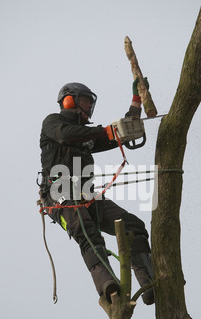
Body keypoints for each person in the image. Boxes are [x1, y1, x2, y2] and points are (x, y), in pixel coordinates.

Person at [39, 81, 155, 304]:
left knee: (132, 225)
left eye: (91, 104)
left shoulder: (87, 136)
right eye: (84, 102)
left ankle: (149, 282)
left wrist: (136, 100)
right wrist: (102, 131)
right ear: (68, 101)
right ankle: (108, 286)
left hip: (86, 195)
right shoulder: (53, 122)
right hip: (57, 195)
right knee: (87, 232)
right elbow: (65, 135)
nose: (89, 108)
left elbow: (121, 133)